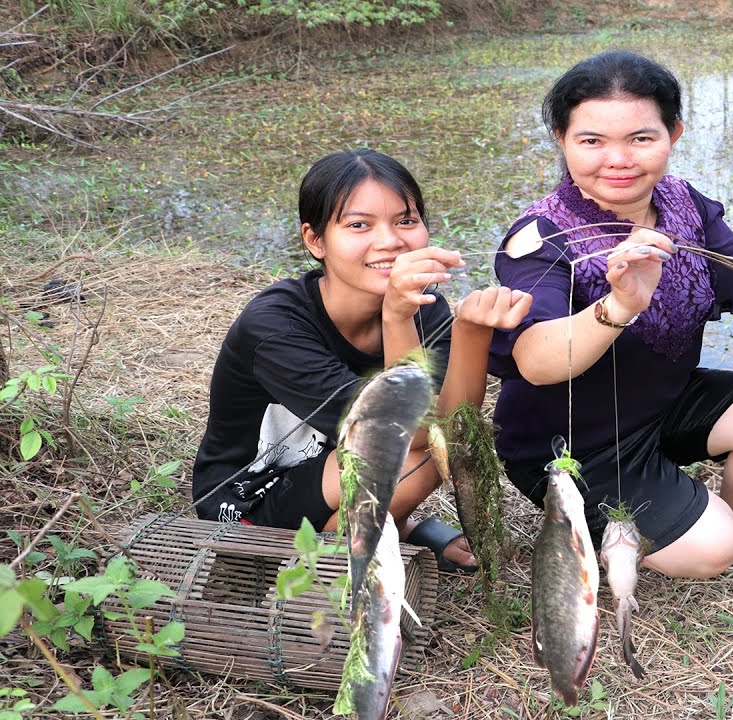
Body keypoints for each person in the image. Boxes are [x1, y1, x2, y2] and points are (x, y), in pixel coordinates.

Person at [488, 50, 733, 587]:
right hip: (571, 446)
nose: (617, 159)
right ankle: (711, 538)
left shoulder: (682, 203)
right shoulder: (542, 238)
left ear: (674, 133)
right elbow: (535, 361)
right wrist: (618, 306)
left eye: (641, 138)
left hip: (659, 410)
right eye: (592, 141)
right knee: (706, 551)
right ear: (561, 139)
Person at [193, 148, 531, 572]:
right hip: (249, 500)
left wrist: (470, 331)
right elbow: (406, 438)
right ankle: (358, 544)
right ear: (316, 240)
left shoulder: (425, 307)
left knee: (442, 444)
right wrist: (396, 315)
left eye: (406, 221)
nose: (390, 241)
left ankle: (388, 529)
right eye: (358, 225)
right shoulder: (275, 326)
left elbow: (453, 422)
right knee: (416, 453)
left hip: (339, 473)